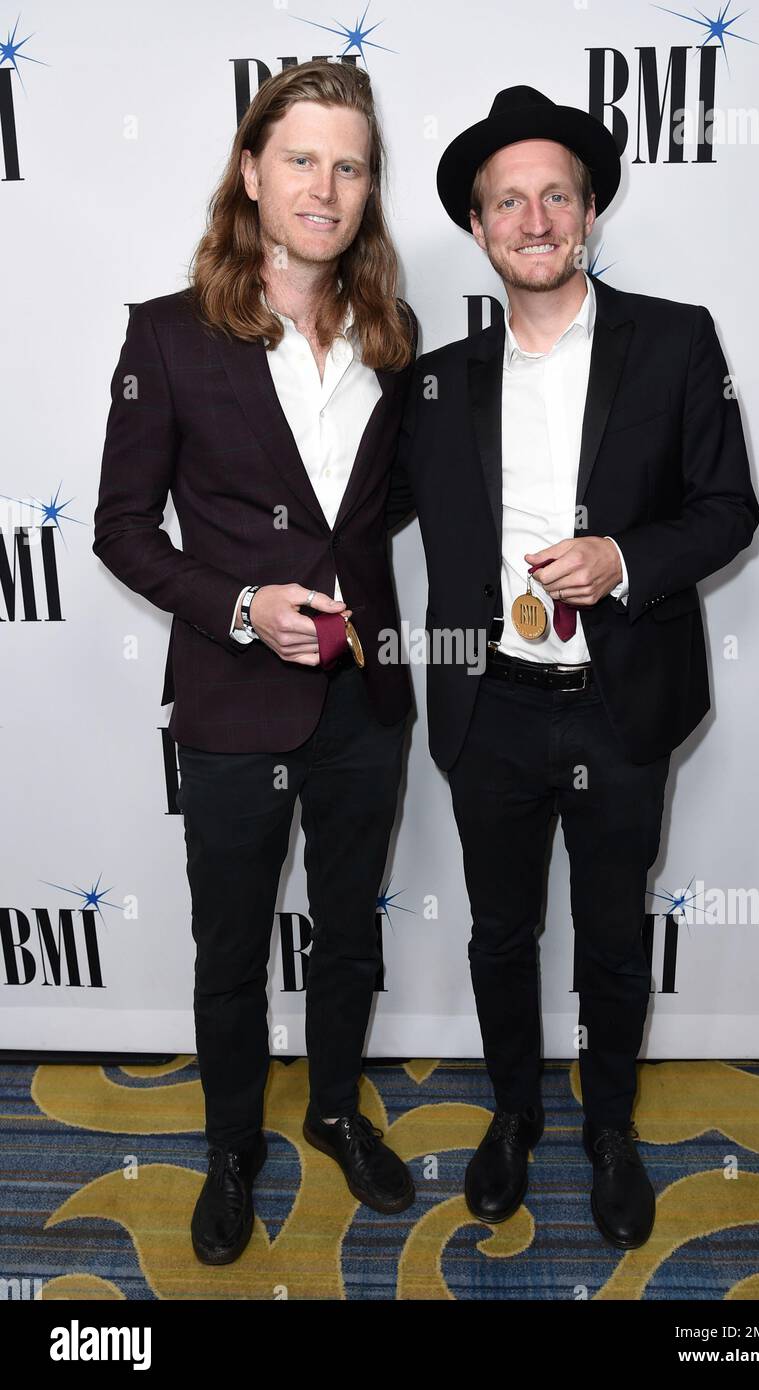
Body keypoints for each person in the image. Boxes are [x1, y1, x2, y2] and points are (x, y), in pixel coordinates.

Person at [387, 85, 759, 1246]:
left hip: (618, 704)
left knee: (608, 936)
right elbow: (353, 516)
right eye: (509, 200)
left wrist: (622, 557)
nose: (534, 217)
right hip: (487, 707)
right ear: (478, 227)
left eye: (555, 193)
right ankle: (509, 1115)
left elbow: (726, 511)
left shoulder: (678, 338)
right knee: (499, 934)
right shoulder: (435, 380)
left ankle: (608, 1128)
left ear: (588, 211)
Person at [94, 60, 418, 1265]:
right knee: (229, 943)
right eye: (300, 159)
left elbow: (373, 516)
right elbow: (121, 528)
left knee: (348, 930)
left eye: (348, 164)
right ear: (249, 172)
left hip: (366, 698)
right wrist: (239, 603)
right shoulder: (169, 336)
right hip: (232, 699)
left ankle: (333, 1108)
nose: (324, 186)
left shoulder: (391, 337)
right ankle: (232, 1144)